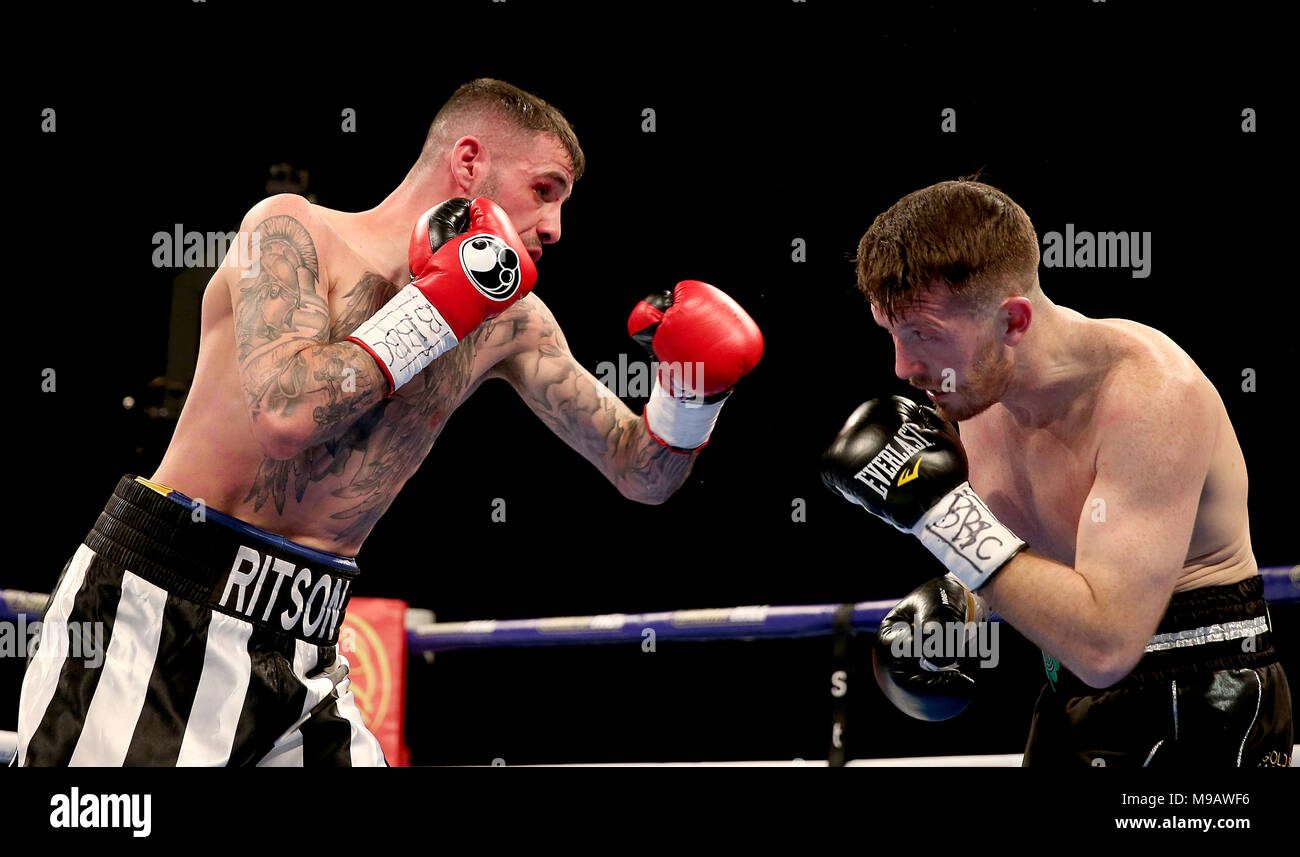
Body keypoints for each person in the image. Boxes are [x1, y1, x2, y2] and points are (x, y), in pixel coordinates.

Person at [15, 79, 763, 767]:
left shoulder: (510, 323)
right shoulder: (294, 233)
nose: (556, 226)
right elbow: (286, 413)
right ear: (469, 162)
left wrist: (689, 395)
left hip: (304, 640)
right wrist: (439, 305)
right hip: (162, 606)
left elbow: (639, 472)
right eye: (545, 191)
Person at [821, 178, 1291, 767]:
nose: (904, 366)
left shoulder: (1150, 398)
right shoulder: (972, 395)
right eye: (891, 333)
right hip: (1068, 694)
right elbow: (1027, 560)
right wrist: (959, 604)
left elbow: (1105, 644)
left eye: (925, 336)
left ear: (1013, 322)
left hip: (1202, 697)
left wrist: (940, 516)